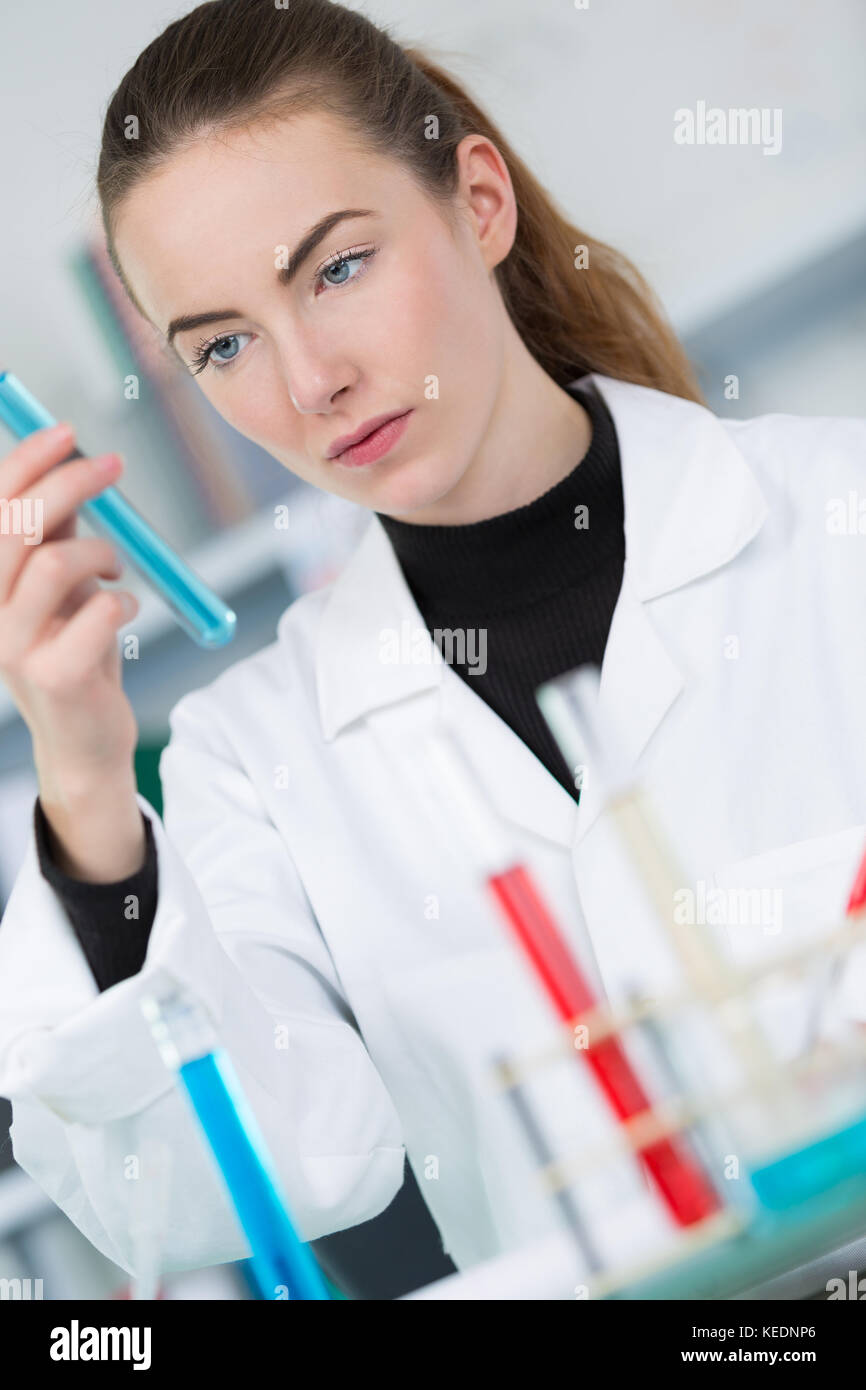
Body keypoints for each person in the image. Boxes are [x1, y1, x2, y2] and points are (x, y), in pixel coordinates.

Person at [1, 0, 866, 1299]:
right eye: (223, 343)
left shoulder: (834, 525)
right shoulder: (254, 756)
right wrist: (80, 778)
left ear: (476, 200)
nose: (306, 381)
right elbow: (199, 1188)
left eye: (335, 268)